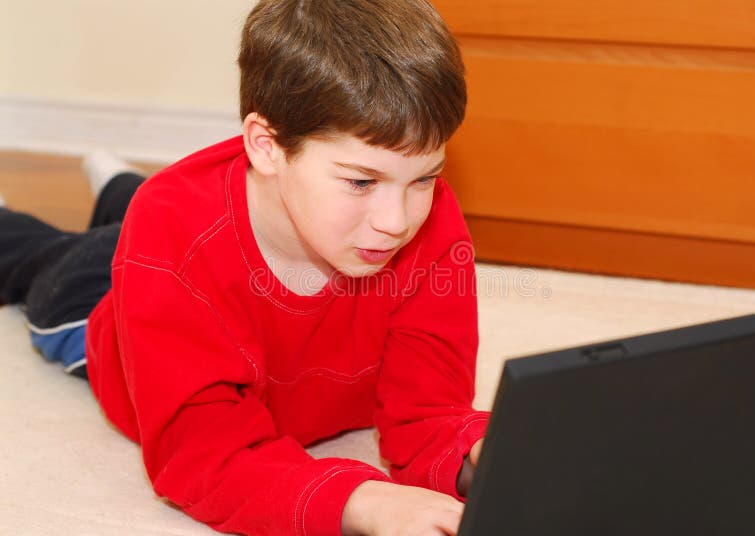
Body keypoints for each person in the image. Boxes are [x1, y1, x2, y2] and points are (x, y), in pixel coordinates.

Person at [0, 0, 489, 534]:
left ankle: (118, 185)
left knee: (146, 210)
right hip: (97, 296)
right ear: (266, 146)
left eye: (424, 178)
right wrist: (359, 501)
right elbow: (204, 453)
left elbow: (430, 410)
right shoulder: (172, 240)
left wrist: (478, 457)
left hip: (189, 236)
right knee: (43, 258)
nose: (397, 221)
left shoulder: (427, 218)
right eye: (361, 182)